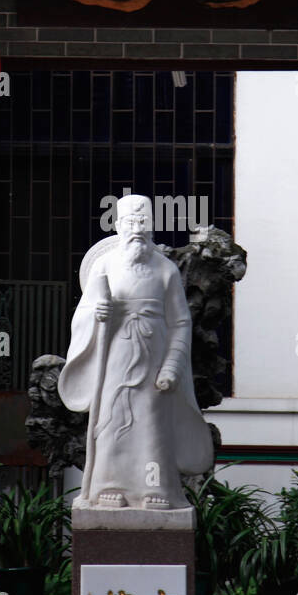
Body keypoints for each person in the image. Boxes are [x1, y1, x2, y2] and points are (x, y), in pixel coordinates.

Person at [58, 194, 213, 509]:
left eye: (144, 222)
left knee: (151, 423)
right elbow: (84, 314)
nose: (137, 230)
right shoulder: (104, 265)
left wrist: (172, 365)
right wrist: (97, 314)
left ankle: (154, 487)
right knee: (112, 420)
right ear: (117, 226)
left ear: (153, 227)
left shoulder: (166, 270)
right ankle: (107, 486)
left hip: (153, 363)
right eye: (131, 222)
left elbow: (181, 323)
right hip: (113, 360)